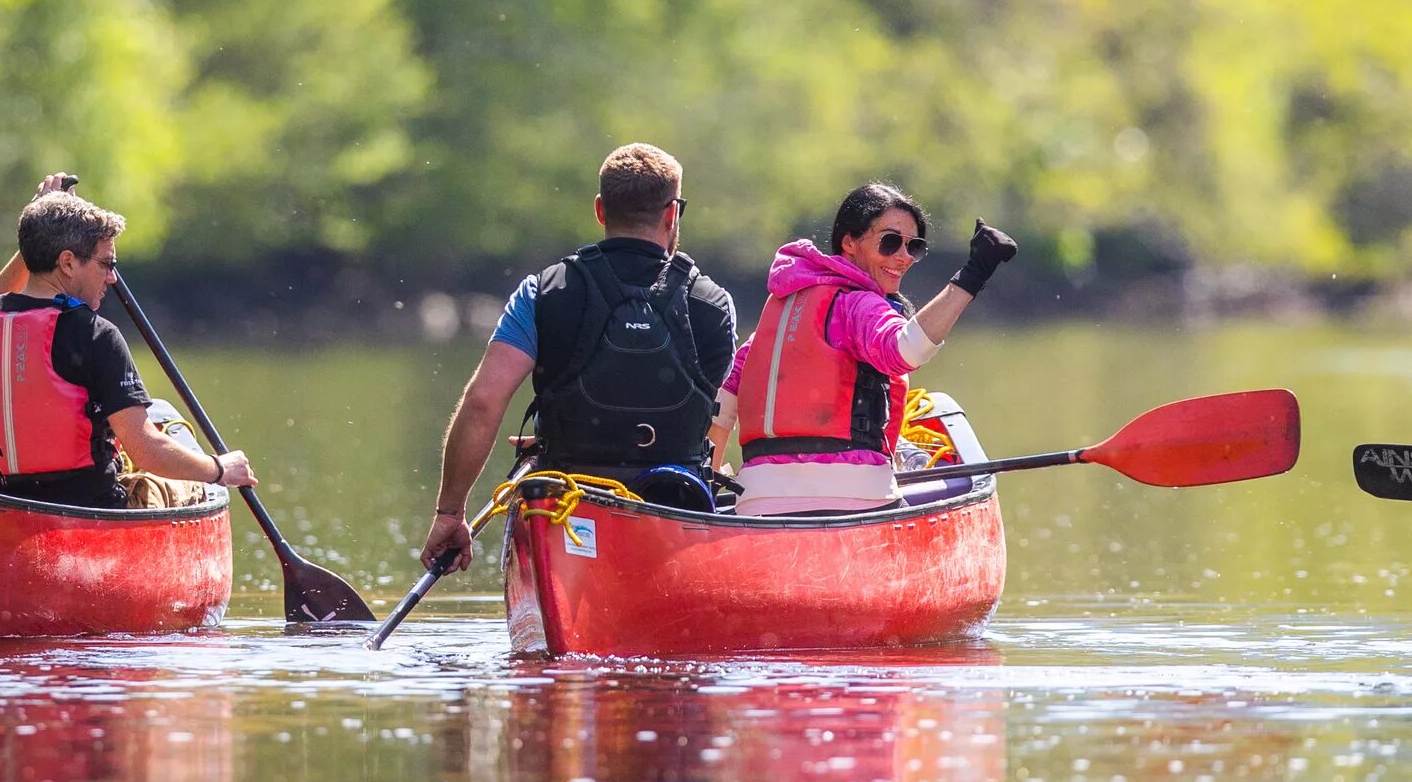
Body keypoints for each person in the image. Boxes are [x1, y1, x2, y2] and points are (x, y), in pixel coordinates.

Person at [418, 145, 740, 572]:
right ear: (672, 214)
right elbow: (703, 410)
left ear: (600, 210)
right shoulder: (715, 304)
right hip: (675, 505)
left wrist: (449, 514)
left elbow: (483, 403)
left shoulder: (541, 293)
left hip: (566, 504)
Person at [719, 183, 1018, 516]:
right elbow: (905, 351)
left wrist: (708, 492)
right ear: (848, 242)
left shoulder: (773, 325)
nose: (903, 257)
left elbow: (721, 410)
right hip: (856, 494)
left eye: (914, 247)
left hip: (757, 501)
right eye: (890, 242)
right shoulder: (860, 304)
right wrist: (974, 273)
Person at [0, 178, 254, 508]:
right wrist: (219, 469)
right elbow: (145, 450)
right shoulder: (98, 335)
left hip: (2, 504)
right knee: (192, 469)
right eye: (107, 264)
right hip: (92, 507)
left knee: (159, 414)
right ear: (67, 263)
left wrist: (42, 227)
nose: (111, 277)